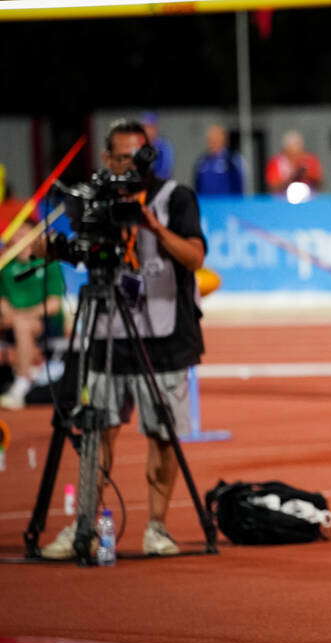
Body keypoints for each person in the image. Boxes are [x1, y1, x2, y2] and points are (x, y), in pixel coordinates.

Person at [41, 119, 208, 559]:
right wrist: (53, 245)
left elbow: (194, 256)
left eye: (137, 157)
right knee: (98, 431)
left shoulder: (176, 198)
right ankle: (85, 528)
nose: (127, 166)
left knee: (163, 435)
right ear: (106, 157)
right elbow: (71, 250)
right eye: (119, 157)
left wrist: (154, 227)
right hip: (106, 331)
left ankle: (157, 528)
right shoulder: (93, 199)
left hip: (165, 333)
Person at [0, 223, 65, 409]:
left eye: (24, 233)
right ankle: (31, 366)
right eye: (16, 234)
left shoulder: (47, 262)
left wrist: (23, 315)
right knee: (19, 323)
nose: (19, 238)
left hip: (44, 322)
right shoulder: (5, 265)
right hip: (10, 321)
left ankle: (21, 384)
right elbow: (2, 301)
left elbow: (53, 304)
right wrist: (11, 315)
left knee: (23, 324)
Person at [193, 124, 246, 196]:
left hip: (225, 204)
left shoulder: (232, 159)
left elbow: (238, 185)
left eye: (216, 139)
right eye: (210, 140)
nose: (213, 143)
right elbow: (197, 184)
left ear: (223, 140)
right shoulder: (202, 161)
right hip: (206, 203)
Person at [265, 130, 323, 194]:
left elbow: (319, 182)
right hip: (283, 198)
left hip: (308, 197)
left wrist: (307, 174)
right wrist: (293, 175)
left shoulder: (309, 160)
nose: (296, 154)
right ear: (286, 150)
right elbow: (273, 186)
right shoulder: (276, 163)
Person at [141, 112, 175, 180]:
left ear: (155, 128)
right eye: (144, 127)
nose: (146, 131)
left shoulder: (164, 147)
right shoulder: (140, 146)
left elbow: (164, 173)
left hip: (160, 185)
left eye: (149, 127)